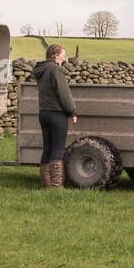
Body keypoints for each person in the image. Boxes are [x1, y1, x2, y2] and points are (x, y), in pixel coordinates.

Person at [31, 44, 77, 188]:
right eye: (63, 54)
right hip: (57, 114)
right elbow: (63, 94)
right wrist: (72, 111)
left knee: (48, 148)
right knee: (58, 149)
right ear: (55, 55)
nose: (65, 57)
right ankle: (56, 187)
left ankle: (46, 184)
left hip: (43, 113)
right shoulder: (56, 70)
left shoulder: (41, 70)